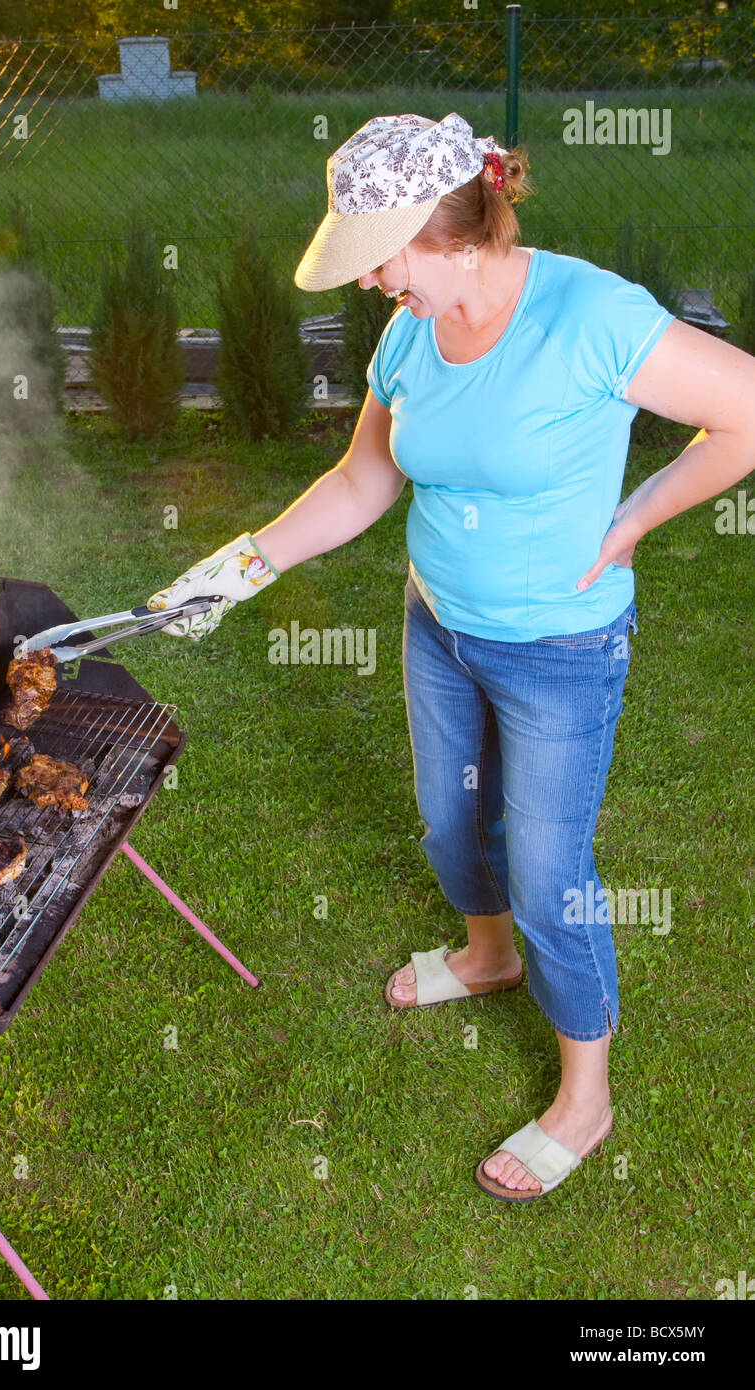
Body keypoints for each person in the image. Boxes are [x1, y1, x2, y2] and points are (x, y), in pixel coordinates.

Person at [147, 112, 755, 1201]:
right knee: (445, 819)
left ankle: (584, 1097)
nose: (374, 281)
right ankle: (486, 957)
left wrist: (631, 521)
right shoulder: (409, 334)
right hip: (439, 624)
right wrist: (236, 568)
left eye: (382, 257)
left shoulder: (590, 315)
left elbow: (744, 412)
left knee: (547, 872)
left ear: (449, 232)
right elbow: (361, 481)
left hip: (559, 648)